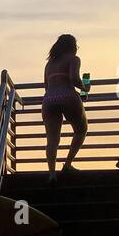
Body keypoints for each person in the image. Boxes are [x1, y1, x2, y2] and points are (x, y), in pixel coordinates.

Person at [42, 34, 88, 183]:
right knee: (81, 130)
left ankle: (52, 174)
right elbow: (74, 78)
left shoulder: (49, 64)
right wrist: (85, 88)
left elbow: (46, 86)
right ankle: (67, 164)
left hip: (49, 99)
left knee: (52, 139)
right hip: (67, 96)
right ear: (72, 47)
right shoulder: (73, 59)